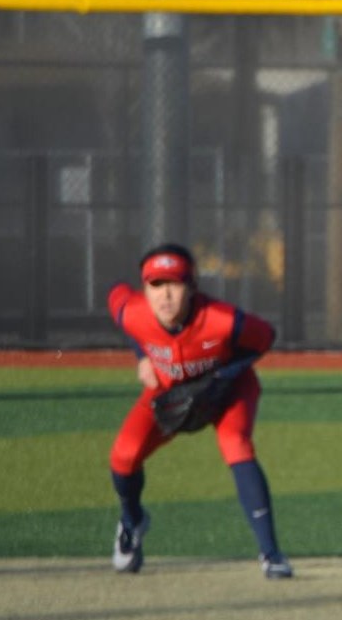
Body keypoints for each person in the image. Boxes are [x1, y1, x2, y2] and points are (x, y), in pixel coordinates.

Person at [106, 243, 293, 579]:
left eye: (174, 284)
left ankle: (271, 553)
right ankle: (132, 521)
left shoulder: (222, 320)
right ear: (144, 289)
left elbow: (265, 336)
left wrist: (222, 377)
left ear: (192, 287)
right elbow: (115, 298)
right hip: (168, 392)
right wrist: (142, 356)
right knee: (123, 455)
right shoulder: (133, 311)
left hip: (229, 391)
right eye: (155, 285)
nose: (165, 296)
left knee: (236, 444)